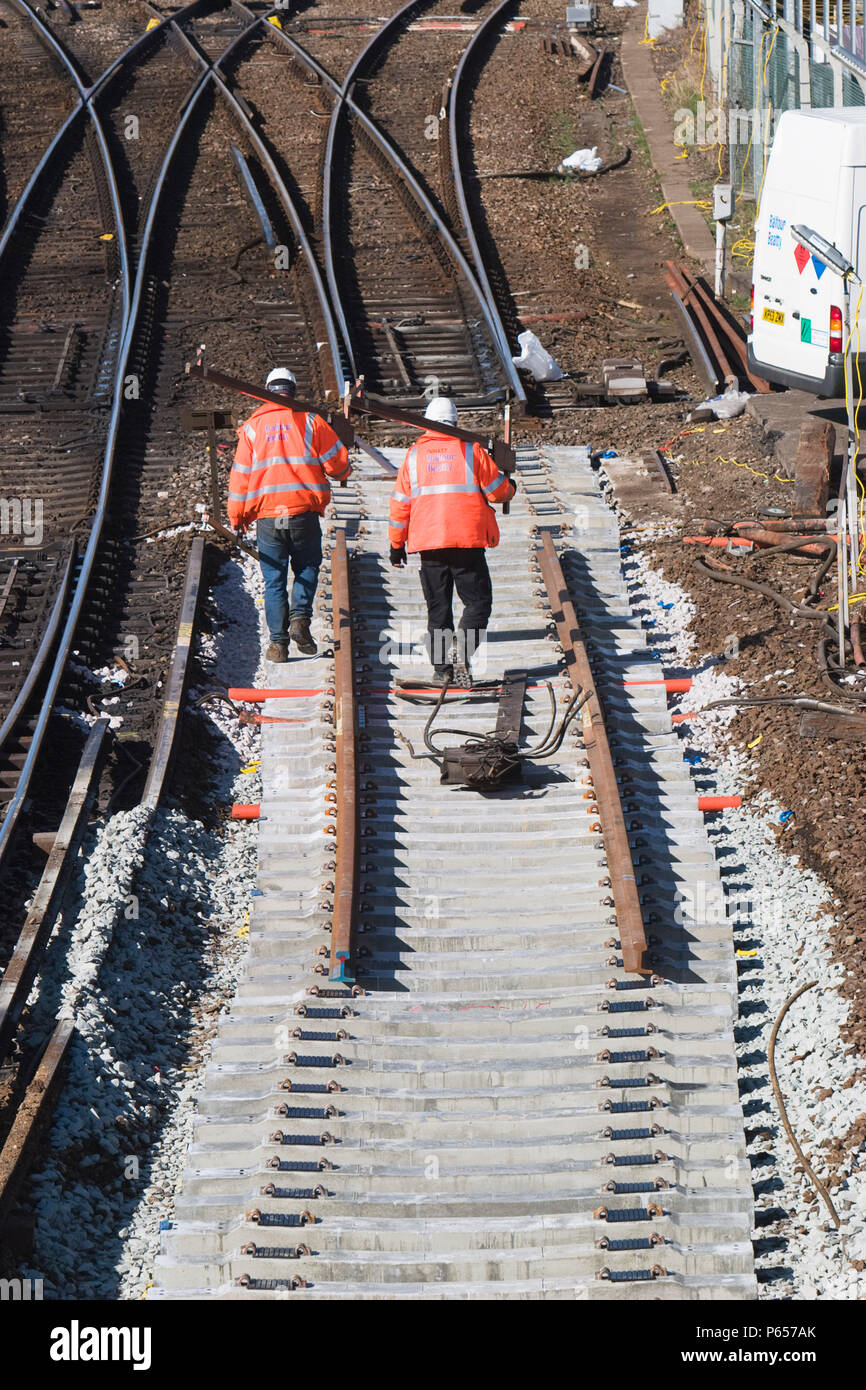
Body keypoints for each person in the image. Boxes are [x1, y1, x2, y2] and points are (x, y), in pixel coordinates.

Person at [388, 397, 516, 685]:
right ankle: (463, 649)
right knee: (478, 602)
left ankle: (441, 670)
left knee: (438, 608)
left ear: (427, 424)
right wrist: (512, 488)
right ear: (456, 423)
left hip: (429, 543)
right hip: (466, 541)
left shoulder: (413, 457)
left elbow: (399, 505)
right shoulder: (471, 451)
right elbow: (497, 492)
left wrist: (396, 545)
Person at [227, 367, 350, 662]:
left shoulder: (252, 428)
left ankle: (278, 645)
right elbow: (337, 465)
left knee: (274, 580)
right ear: (292, 392)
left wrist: (237, 517)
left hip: (267, 517)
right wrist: (345, 470)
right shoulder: (310, 421)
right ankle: (300, 619)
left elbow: (240, 477)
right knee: (307, 567)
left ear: (267, 391)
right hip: (302, 512)